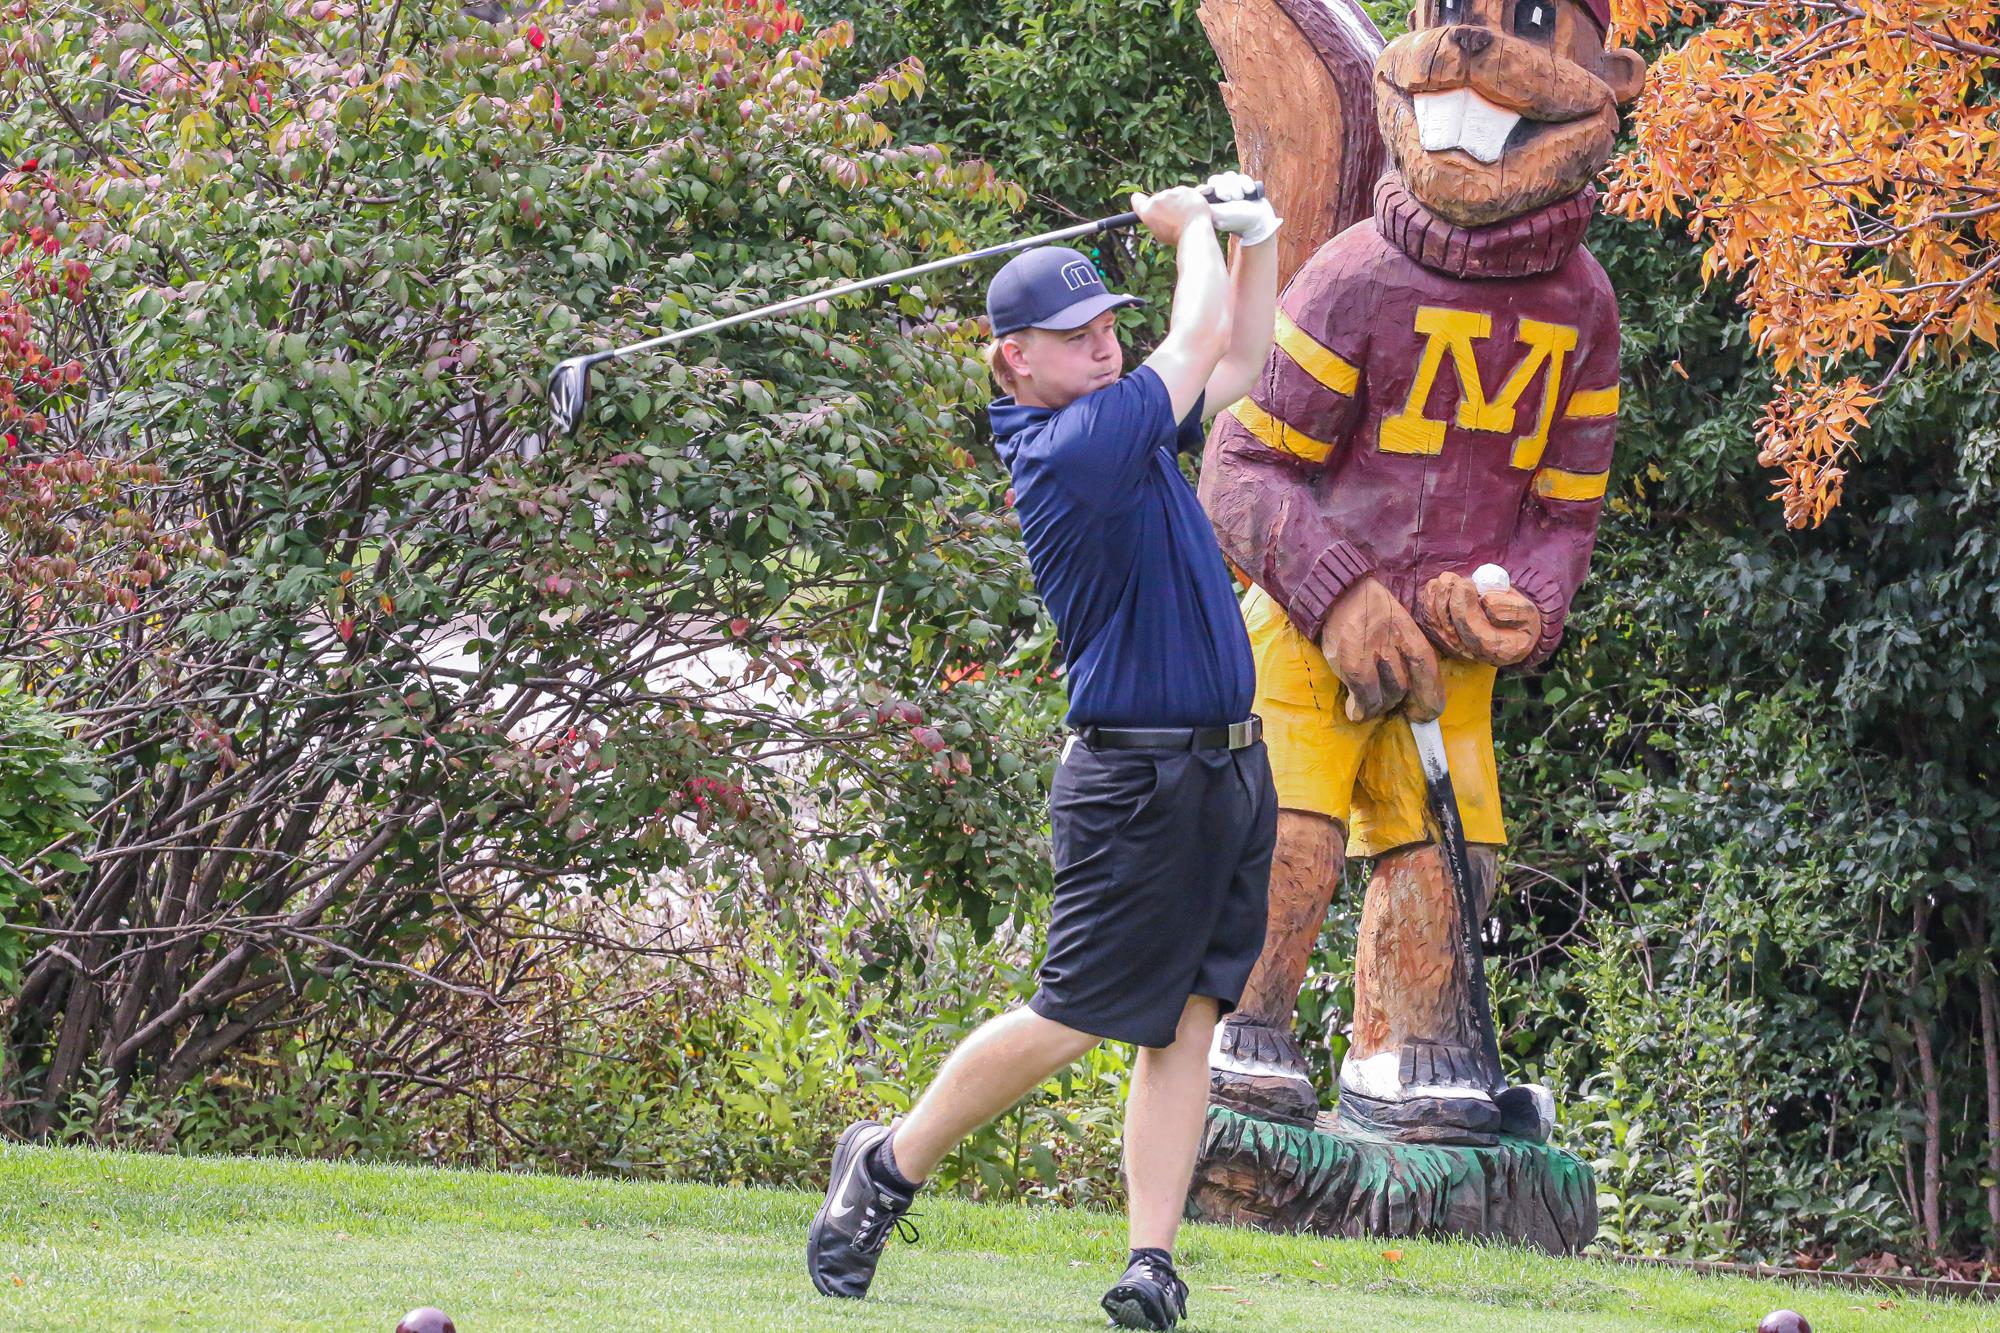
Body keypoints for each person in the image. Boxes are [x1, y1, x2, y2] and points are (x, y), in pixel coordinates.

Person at [806, 173, 1282, 1331]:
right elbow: (1199, 329)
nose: (1104, 350)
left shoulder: (1118, 418)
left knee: (1185, 1022)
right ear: (1011, 360)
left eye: (1109, 327)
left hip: (1226, 765)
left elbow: (1240, 360)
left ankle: (1149, 1263)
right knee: (1075, 1011)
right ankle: (886, 1163)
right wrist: (1189, 237)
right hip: (1135, 778)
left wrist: (1253, 237)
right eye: (1076, 339)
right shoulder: (1070, 447)